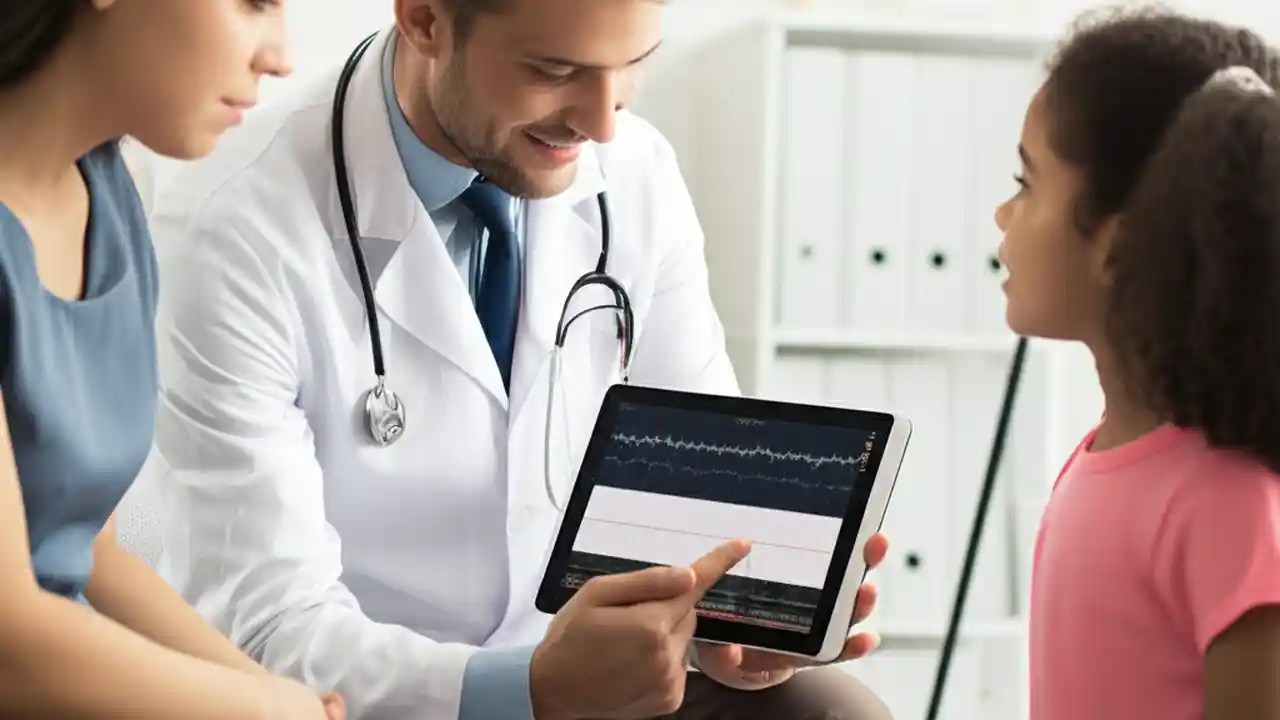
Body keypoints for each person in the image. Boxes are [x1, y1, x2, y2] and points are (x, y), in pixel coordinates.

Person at [133, 0, 895, 717]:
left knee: (831, 711)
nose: (602, 123)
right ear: (425, 18)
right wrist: (525, 689)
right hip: (360, 697)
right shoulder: (235, 223)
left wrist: (720, 622)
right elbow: (262, 628)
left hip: (587, 682)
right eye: (555, 71)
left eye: (633, 64)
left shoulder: (637, 174)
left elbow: (697, 503)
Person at [0, 1, 347, 718]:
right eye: (253, 3)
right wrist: (265, 712)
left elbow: (84, 549)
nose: (279, 57)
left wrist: (274, 693)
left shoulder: (108, 196)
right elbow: (14, 642)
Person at [995, 7, 1280, 720]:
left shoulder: (1229, 507)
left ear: (1119, 248)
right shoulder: (1105, 459)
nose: (1004, 214)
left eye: (1027, 185)